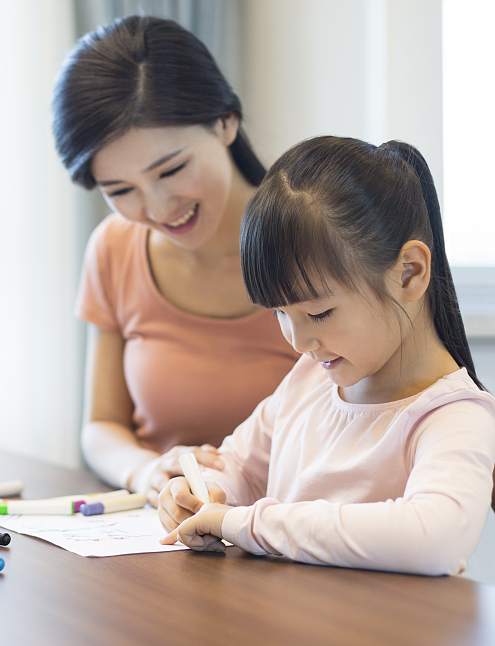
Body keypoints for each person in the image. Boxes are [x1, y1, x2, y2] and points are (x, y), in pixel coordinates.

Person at [158, 136, 495, 576]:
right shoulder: (311, 376)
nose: (298, 341)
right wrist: (205, 493)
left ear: (409, 273)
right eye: (281, 313)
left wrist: (248, 523)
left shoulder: (452, 414)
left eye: (318, 313)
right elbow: (239, 465)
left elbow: (435, 538)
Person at [52, 16, 298, 502]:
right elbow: (101, 426)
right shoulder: (115, 249)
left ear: (225, 121)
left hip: (295, 534)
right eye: (120, 190)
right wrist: (148, 473)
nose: (159, 209)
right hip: (163, 537)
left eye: (172, 169)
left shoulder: (319, 242)